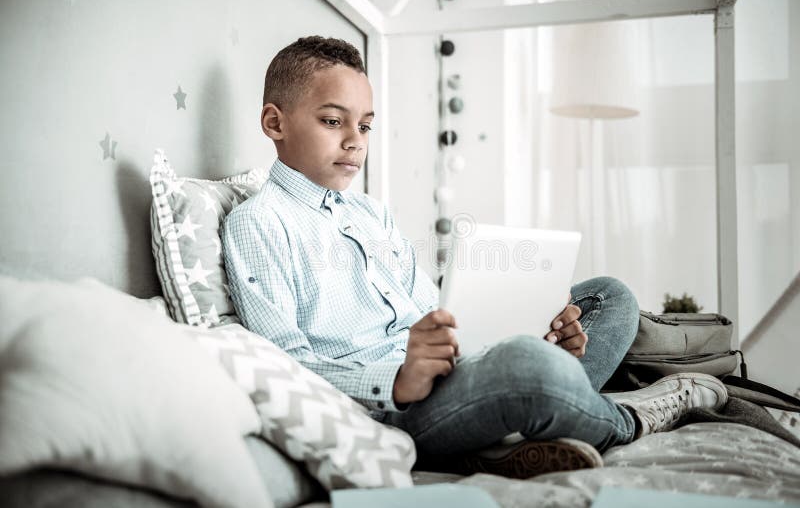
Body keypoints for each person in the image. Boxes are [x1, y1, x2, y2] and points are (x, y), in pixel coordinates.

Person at [221, 36, 727, 477]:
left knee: (608, 297)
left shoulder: (372, 214)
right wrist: (398, 379)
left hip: (449, 370)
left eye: (367, 126)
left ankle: (524, 413)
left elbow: (431, 312)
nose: (356, 142)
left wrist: (530, 333)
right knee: (526, 366)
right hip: (391, 411)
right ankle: (632, 416)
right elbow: (285, 367)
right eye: (334, 121)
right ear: (274, 122)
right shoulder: (258, 223)